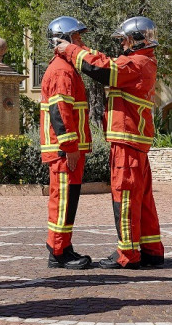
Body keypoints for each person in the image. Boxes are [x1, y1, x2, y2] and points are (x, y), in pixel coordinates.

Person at [54, 17, 164, 269]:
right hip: (134, 140)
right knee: (142, 199)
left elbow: (103, 69)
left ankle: (128, 254)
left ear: (138, 40)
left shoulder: (135, 63)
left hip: (127, 139)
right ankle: (152, 249)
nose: (122, 45)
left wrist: (71, 49)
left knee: (125, 196)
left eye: (125, 40)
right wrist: (81, 49)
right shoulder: (143, 61)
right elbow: (104, 62)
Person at [40, 17, 94, 269]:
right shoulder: (62, 70)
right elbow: (60, 112)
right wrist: (70, 146)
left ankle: (62, 246)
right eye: (77, 37)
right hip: (63, 151)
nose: (81, 42)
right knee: (63, 200)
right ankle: (58, 251)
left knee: (67, 200)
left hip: (66, 150)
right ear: (64, 40)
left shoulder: (66, 68)